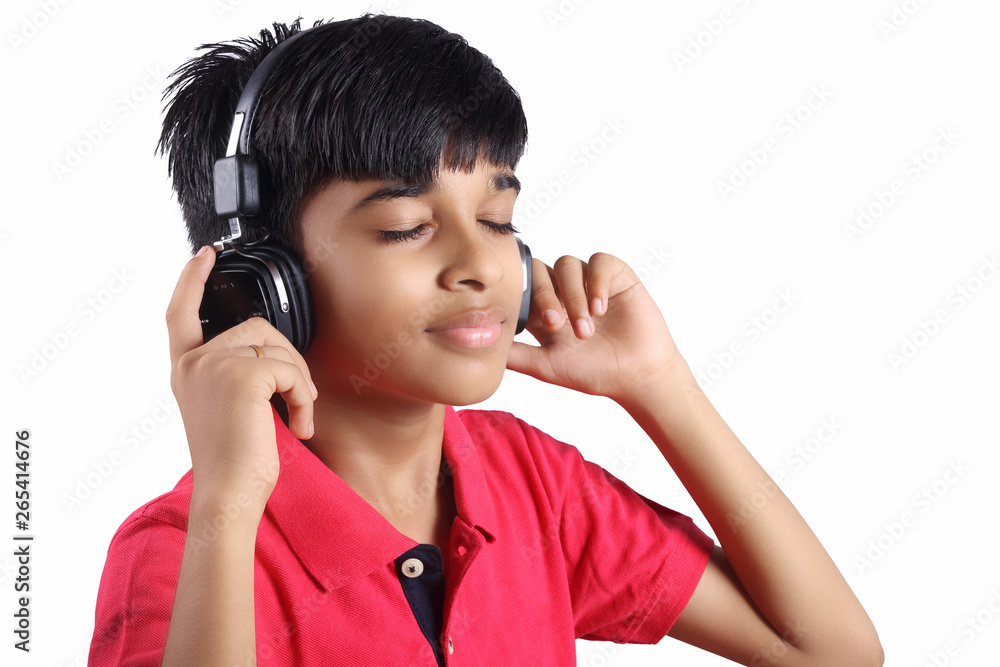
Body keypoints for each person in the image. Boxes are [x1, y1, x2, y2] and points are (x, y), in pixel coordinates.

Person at [88, 14, 883, 666]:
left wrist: (659, 383)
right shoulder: (179, 550)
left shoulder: (533, 483)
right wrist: (228, 501)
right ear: (261, 280)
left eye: (499, 221)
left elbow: (832, 651)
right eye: (406, 228)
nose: (481, 265)